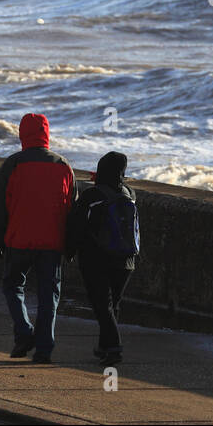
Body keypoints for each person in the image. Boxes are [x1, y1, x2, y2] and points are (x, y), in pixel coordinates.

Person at [0, 112, 75, 364]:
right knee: (49, 295)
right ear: (46, 134)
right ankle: (44, 348)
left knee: (13, 286)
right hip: (52, 242)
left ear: (22, 134)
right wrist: (69, 245)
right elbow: (71, 208)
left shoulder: (13, 164)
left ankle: (24, 332)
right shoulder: (63, 166)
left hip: (19, 239)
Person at [66, 151, 139, 365]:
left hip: (97, 259)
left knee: (101, 305)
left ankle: (114, 348)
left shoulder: (92, 195)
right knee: (111, 304)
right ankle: (104, 347)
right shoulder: (130, 193)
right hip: (126, 259)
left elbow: (77, 225)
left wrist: (69, 250)